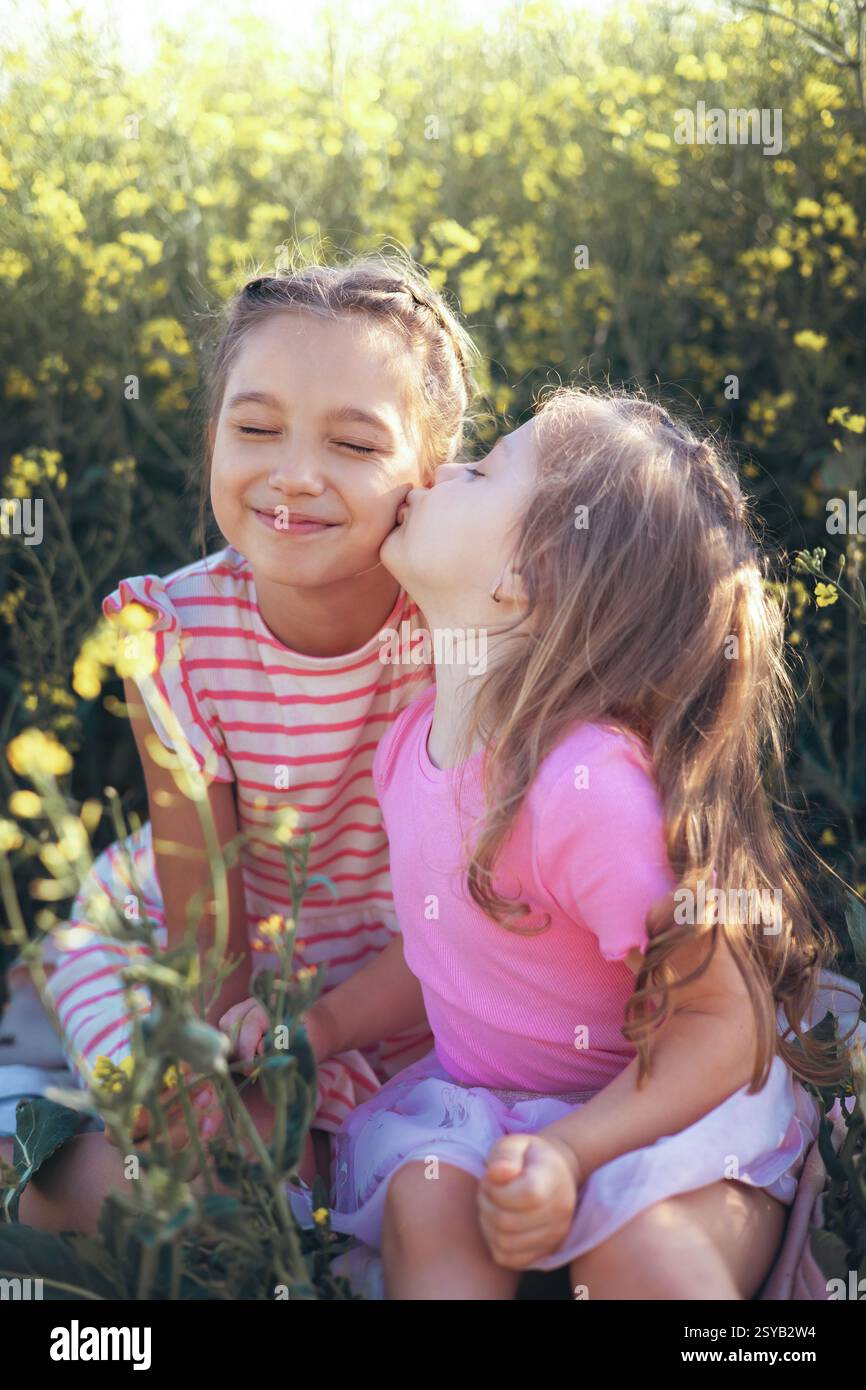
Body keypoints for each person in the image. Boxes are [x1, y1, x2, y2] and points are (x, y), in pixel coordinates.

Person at [225, 386, 862, 1299]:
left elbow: (726, 1026)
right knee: (426, 1206)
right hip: (496, 1111)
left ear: (526, 576)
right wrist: (319, 1028)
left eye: (482, 470)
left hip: (660, 1112)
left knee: (641, 1254)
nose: (441, 470)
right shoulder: (412, 746)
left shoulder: (584, 788)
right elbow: (451, 949)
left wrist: (571, 1152)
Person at [9, 253, 479, 1236]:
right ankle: (37, 1152)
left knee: (378, 1172)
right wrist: (230, 1071)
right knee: (238, 1175)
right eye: (254, 429)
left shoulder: (457, 633)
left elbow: (467, 888)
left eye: (353, 444)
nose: (292, 476)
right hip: (183, 954)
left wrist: (326, 1030)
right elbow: (203, 924)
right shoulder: (170, 631)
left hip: (389, 983)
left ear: (427, 478)